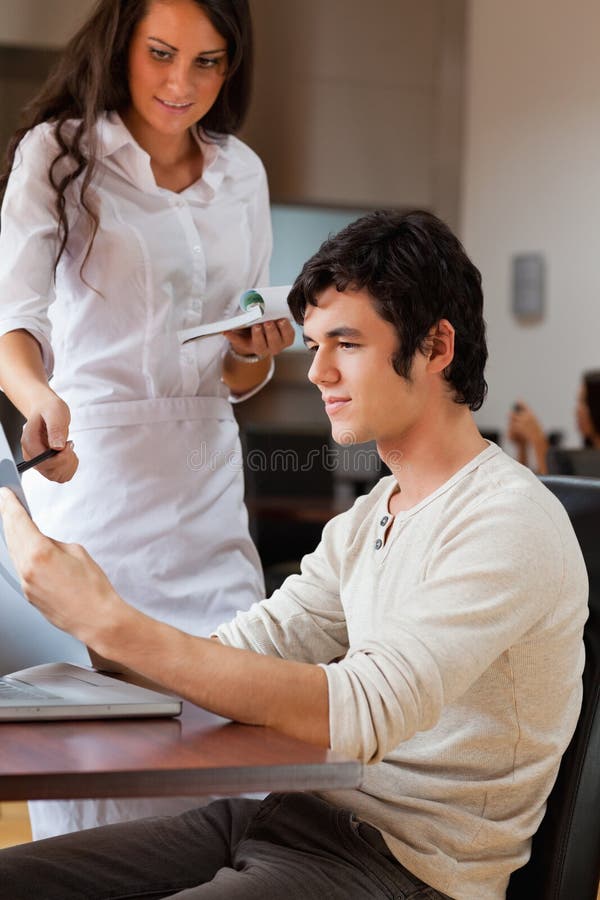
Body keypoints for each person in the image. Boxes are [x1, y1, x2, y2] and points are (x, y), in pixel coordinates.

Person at [0, 210, 588, 900]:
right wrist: (84, 622)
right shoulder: (372, 515)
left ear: (435, 346)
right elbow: (245, 653)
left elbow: (362, 709)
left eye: (347, 344)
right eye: (313, 345)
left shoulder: (507, 519)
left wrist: (111, 622)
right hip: (282, 819)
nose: (318, 372)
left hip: (399, 866)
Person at [0, 0, 294, 838]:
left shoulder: (243, 174)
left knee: (233, 744)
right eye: (162, 53)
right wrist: (38, 398)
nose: (181, 83)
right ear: (121, 43)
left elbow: (236, 371)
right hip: (95, 488)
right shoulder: (58, 152)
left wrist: (255, 350)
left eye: (207, 61)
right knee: (101, 760)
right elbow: (12, 321)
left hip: (206, 491)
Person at [508, 369, 600, 473]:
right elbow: (525, 482)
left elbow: (552, 482)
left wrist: (537, 439)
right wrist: (522, 448)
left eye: (584, 402)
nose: (577, 411)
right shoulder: (579, 460)